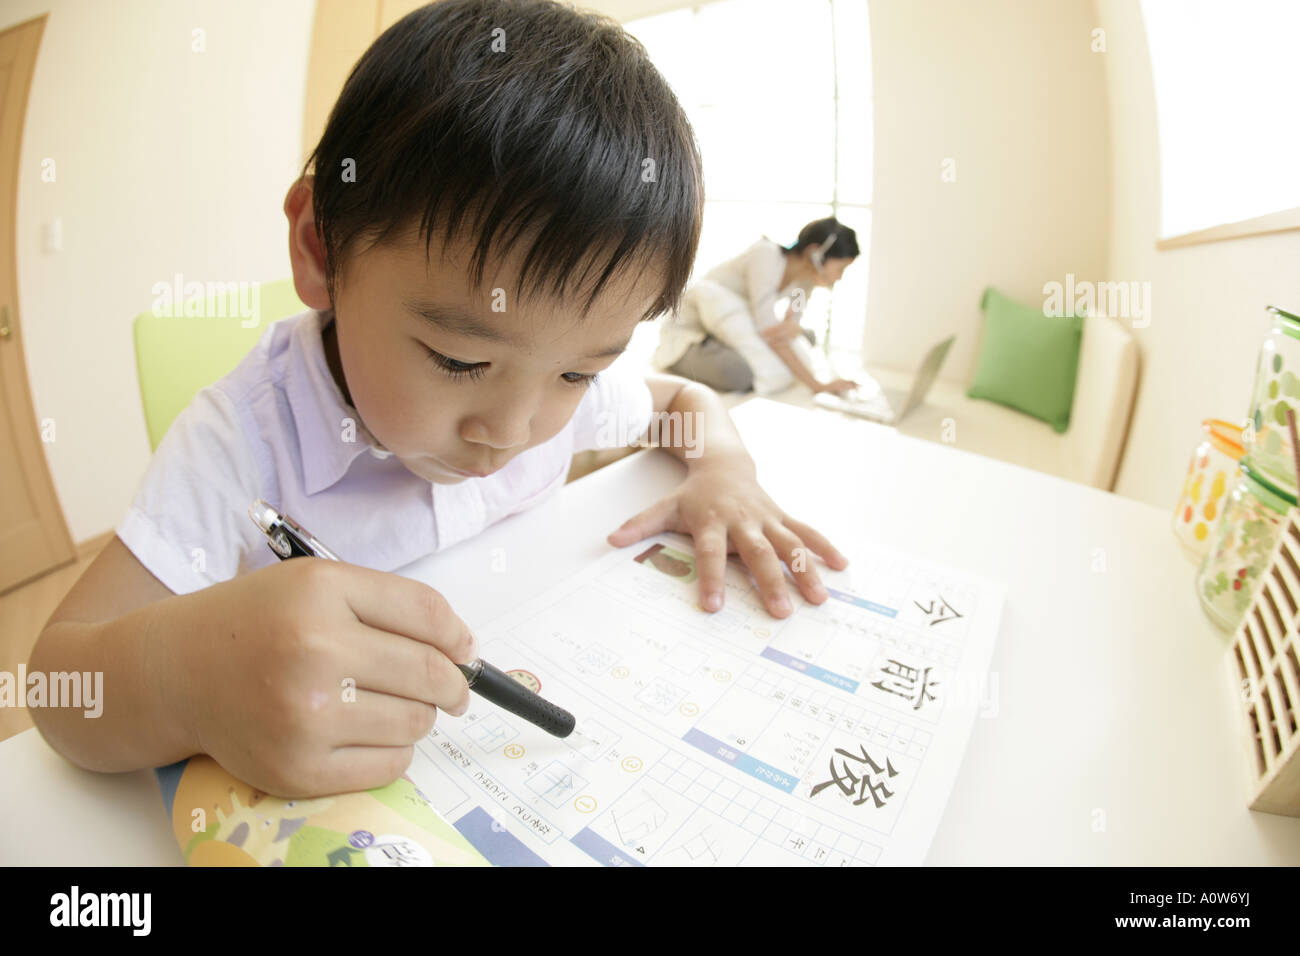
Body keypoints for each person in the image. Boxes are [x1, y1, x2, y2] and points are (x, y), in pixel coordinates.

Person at [27, 0, 849, 800]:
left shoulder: (543, 399)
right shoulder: (240, 444)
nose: (513, 431)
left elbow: (683, 398)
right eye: (460, 359)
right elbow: (60, 687)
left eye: (579, 375)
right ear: (321, 247)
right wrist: (187, 679)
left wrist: (727, 470)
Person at [652, 218, 861, 395]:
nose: (840, 277)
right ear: (815, 252)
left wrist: (793, 328)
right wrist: (817, 385)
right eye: (841, 268)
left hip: (729, 335)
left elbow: (788, 326)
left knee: (807, 335)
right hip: (695, 333)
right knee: (739, 375)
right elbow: (770, 332)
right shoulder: (767, 257)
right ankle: (675, 360)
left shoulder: (803, 283)